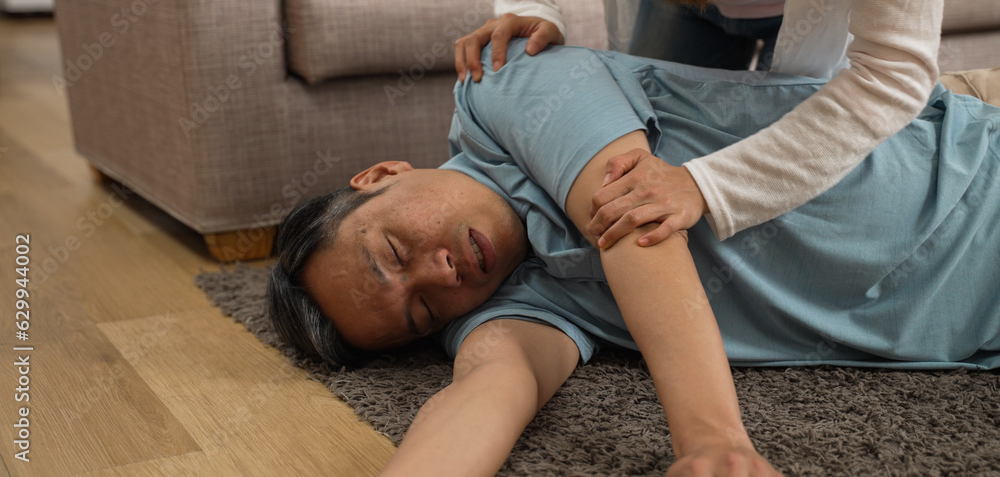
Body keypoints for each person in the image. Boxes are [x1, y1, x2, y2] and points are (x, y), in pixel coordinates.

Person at [269, 41, 1000, 476]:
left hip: (975, 184)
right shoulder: (506, 306)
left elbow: (630, 220)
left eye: (393, 252)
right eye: (422, 313)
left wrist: (711, 442)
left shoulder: (506, 85)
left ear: (380, 175)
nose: (440, 276)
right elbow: (487, 390)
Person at [454, 0, 951, 250]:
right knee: (647, 178)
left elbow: (893, 72)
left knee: (785, 205)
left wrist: (707, 185)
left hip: (812, 2)